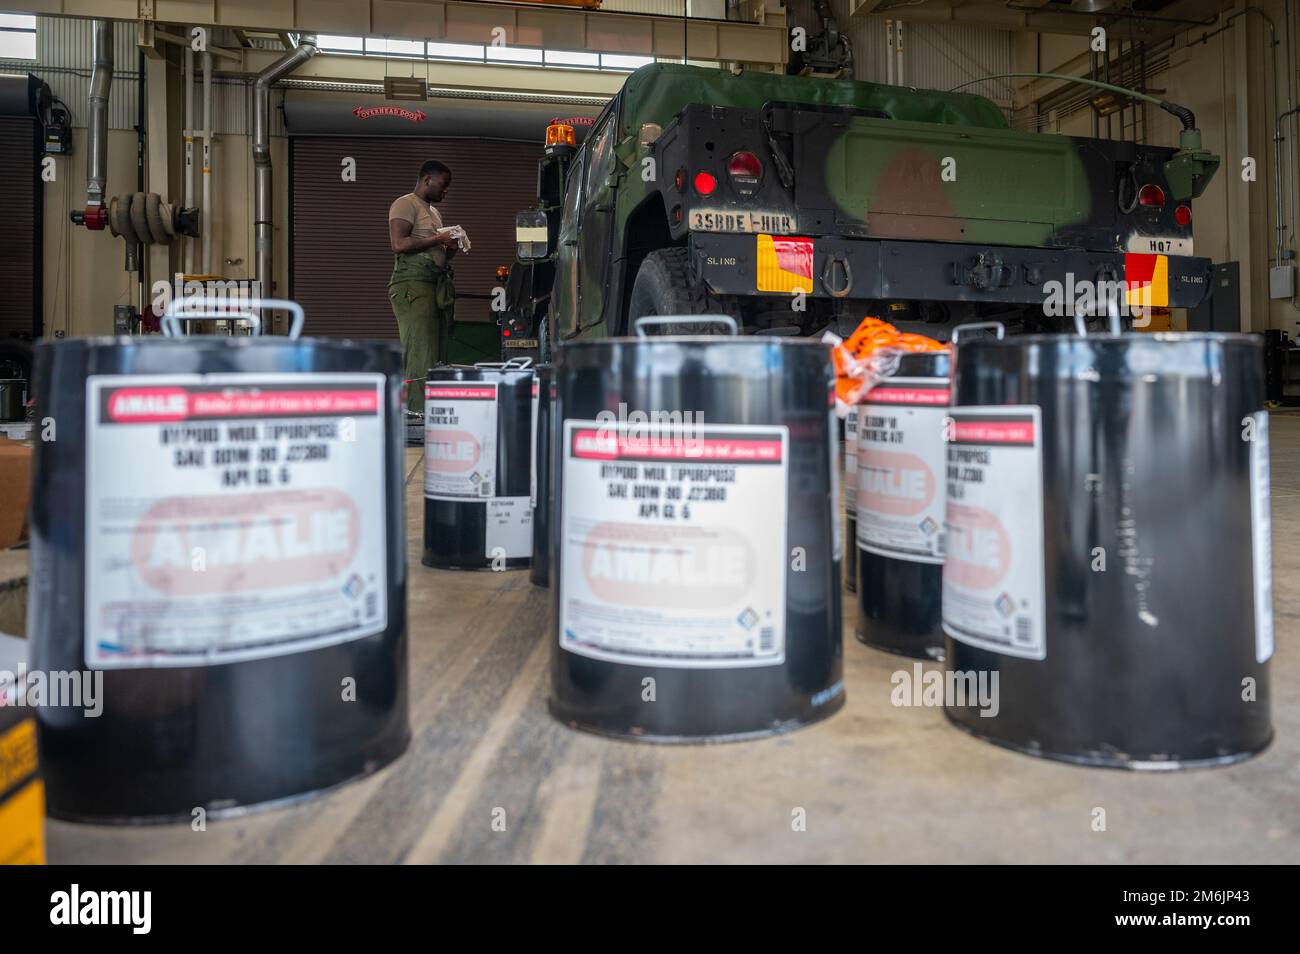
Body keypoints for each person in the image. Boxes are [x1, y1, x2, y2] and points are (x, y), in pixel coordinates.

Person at [388, 160, 460, 416]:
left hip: (433, 284)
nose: (446, 190)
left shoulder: (434, 213)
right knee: (420, 350)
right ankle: (417, 413)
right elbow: (399, 244)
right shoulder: (405, 204)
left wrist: (449, 248)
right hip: (412, 285)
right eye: (444, 184)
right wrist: (439, 238)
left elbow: (434, 251)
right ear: (427, 180)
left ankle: (432, 409)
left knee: (436, 352)